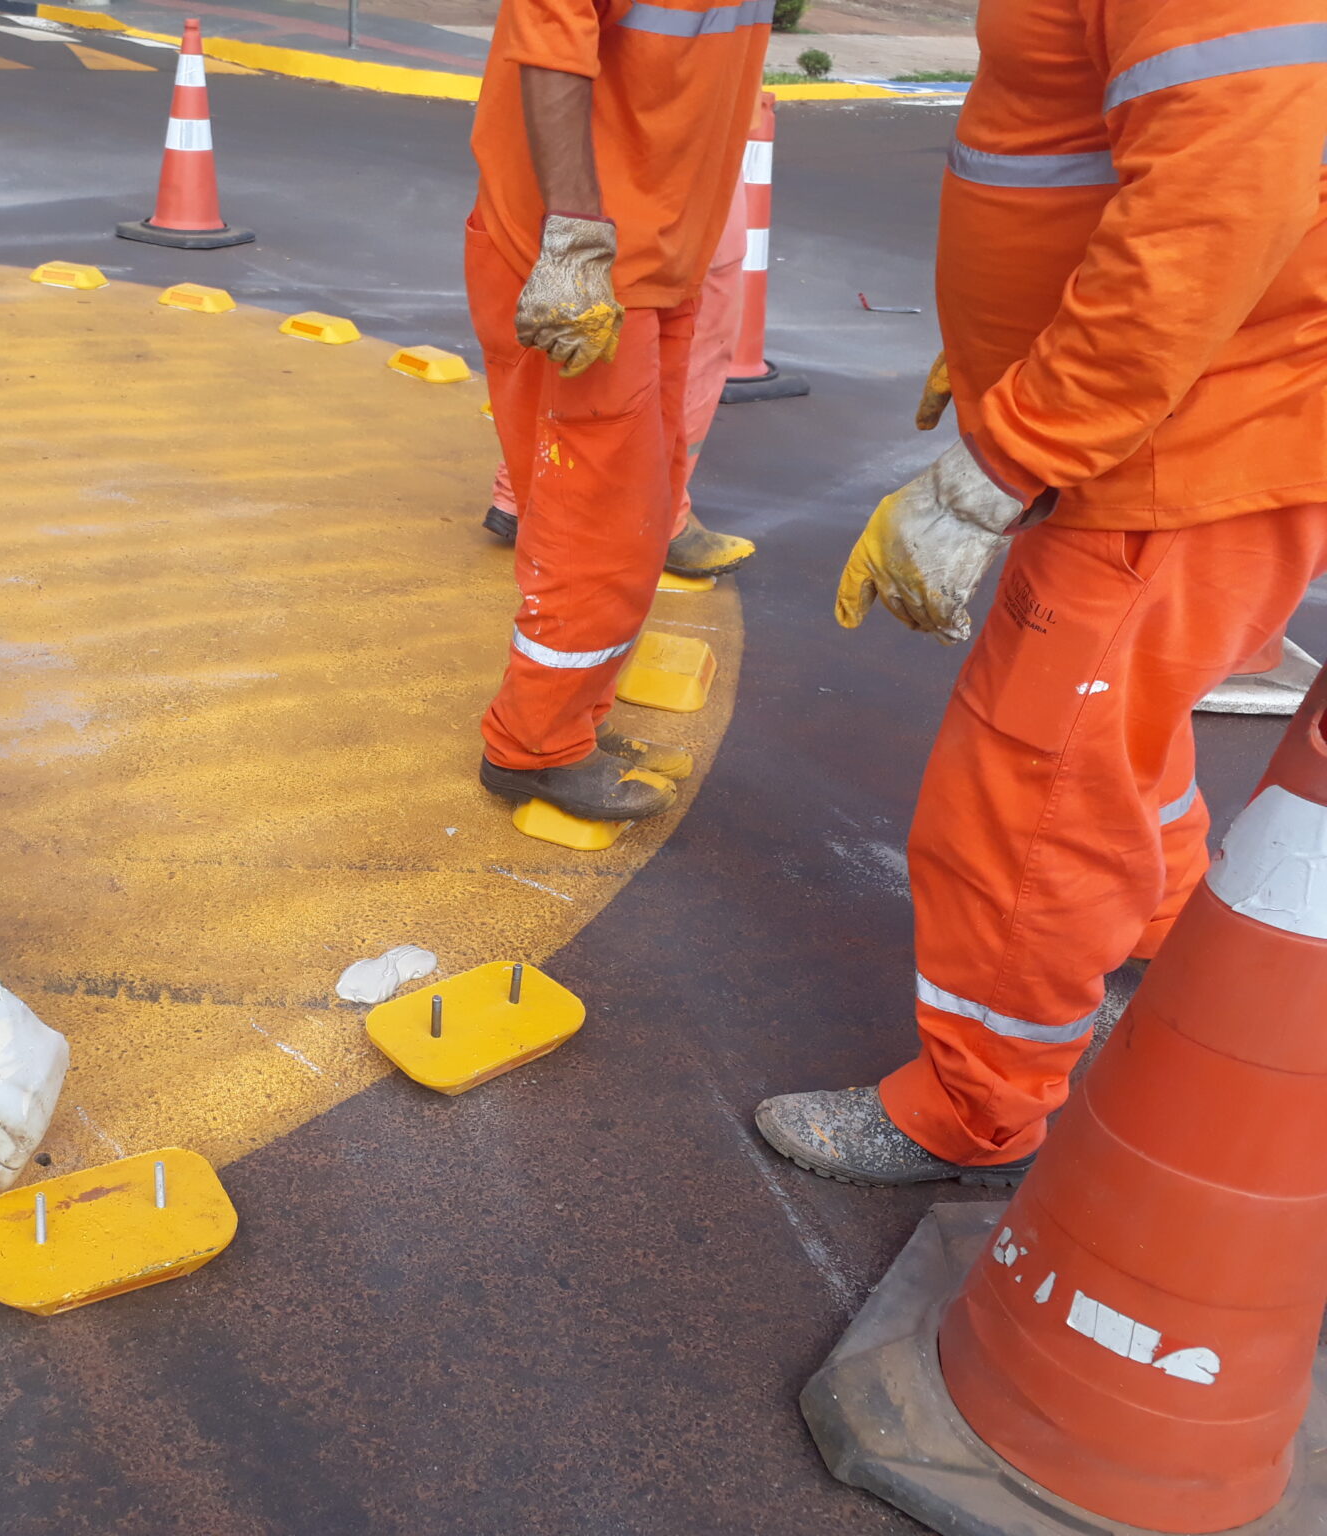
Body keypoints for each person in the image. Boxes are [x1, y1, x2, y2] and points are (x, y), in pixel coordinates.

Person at [756, 0, 1327, 1184]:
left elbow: (1209, 212)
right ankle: (1161, 943)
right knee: (1110, 746)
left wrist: (1001, 459)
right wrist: (1000, 348)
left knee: (1031, 794)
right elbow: (1106, 157)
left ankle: (971, 1111)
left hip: (1172, 452)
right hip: (1184, 431)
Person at [466, 0, 769, 824]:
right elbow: (551, 35)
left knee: (634, 519)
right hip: (589, 262)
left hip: (651, 253)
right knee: (591, 524)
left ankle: (573, 723)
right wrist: (573, 235)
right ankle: (535, 748)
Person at [481, 183, 759, 582]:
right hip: (675, 179)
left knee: (569, 325)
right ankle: (659, 519)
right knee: (688, 333)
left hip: (573, 182)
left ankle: (523, 494)